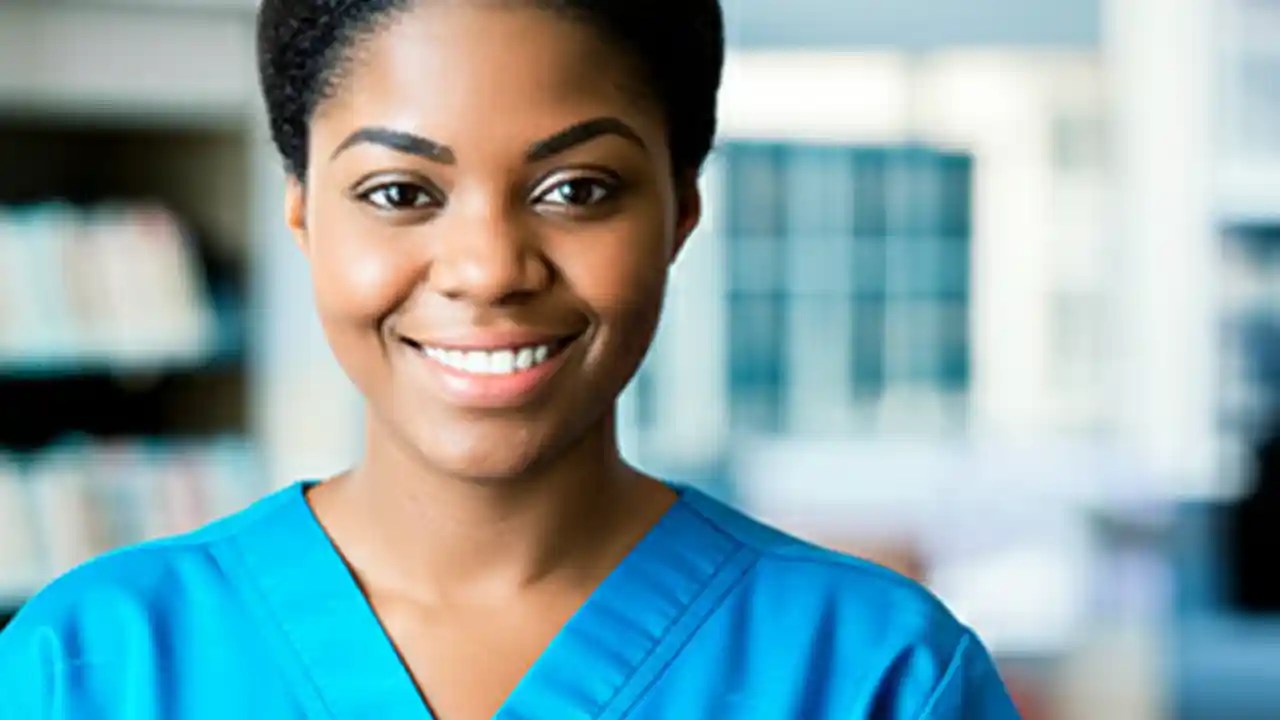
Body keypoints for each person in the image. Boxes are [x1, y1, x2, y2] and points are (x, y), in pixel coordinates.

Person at [0, 1, 1022, 717]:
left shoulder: (870, 676)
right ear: (304, 216)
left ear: (679, 214)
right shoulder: (87, 667)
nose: (487, 270)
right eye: (400, 192)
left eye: (575, 189)